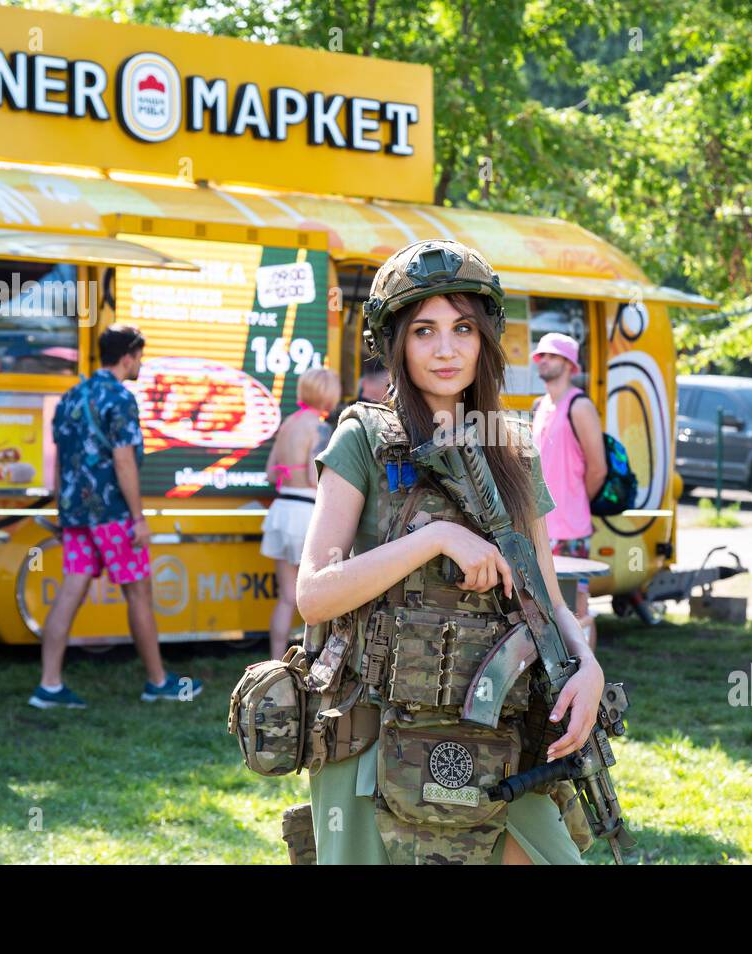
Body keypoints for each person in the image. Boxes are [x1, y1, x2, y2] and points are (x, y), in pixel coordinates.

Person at [296, 239, 605, 864]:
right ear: (395, 343)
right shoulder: (362, 436)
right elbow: (314, 593)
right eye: (424, 330)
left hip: (500, 733)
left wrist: (588, 666)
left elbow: (542, 597)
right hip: (373, 731)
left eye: (463, 327)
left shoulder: (513, 447)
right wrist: (434, 539)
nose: (445, 349)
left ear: (485, 338)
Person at [33, 324, 202, 709]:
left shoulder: (72, 395)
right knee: (139, 592)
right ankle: (157, 682)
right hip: (112, 515)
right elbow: (124, 462)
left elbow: (61, 460)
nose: (141, 363)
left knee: (71, 590)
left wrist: (64, 511)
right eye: (140, 356)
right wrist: (138, 518)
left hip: (76, 514)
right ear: (128, 356)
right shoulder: (120, 399)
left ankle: (49, 685)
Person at [530, 332, 607, 649]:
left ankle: (589, 675)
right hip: (540, 527)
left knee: (578, 609)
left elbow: (598, 468)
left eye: (551, 355)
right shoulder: (540, 405)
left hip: (571, 530)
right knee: (543, 608)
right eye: (541, 355)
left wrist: (576, 504)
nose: (543, 360)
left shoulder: (580, 405)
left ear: (568, 363)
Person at [261, 366, 341, 659]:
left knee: (285, 598)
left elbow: (271, 472)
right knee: (316, 596)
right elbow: (313, 476)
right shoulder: (319, 428)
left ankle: (273, 663)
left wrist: (289, 471)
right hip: (305, 514)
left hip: (280, 511)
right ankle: (318, 661)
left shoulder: (288, 424)